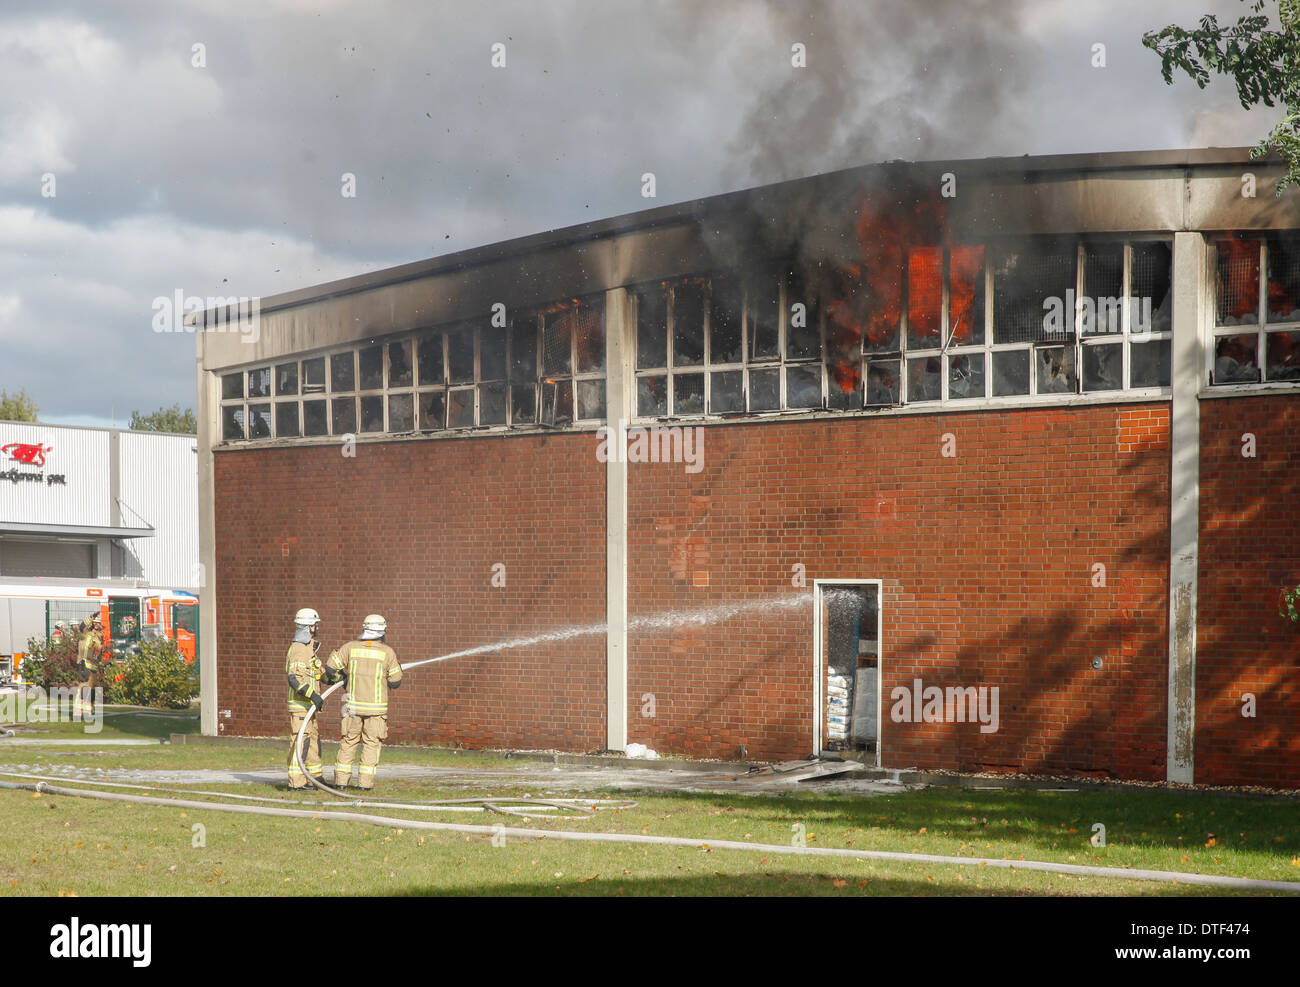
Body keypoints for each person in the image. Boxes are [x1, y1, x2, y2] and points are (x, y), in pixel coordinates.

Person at [326, 614, 402, 791]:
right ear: (382, 631)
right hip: (376, 710)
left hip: (352, 707)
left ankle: (340, 783)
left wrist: (343, 677)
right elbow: (395, 682)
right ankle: (364, 785)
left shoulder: (349, 648)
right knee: (371, 744)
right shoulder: (387, 652)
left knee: (348, 741)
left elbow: (329, 668)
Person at [285, 607, 327, 789]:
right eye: (315, 625)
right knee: (300, 743)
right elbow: (293, 679)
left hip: (308, 706)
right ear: (308, 627)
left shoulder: (309, 648)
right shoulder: (298, 649)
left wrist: (335, 677)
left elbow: (318, 673)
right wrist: (313, 695)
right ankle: (296, 782)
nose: (317, 627)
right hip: (300, 706)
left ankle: (315, 778)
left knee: (313, 742)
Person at [74, 615, 103, 717]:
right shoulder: (85, 633)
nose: (96, 624)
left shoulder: (97, 636)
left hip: (92, 666)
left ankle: (87, 711)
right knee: (83, 687)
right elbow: (82, 626)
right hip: (83, 663)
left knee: (91, 689)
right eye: (95, 622)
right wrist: (92, 617)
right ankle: (78, 711)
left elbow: (99, 650)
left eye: (98, 622)